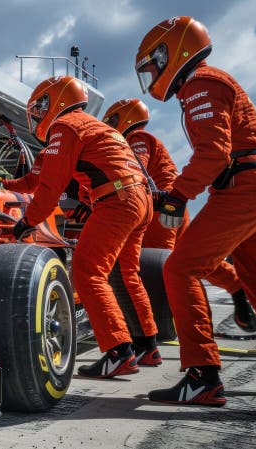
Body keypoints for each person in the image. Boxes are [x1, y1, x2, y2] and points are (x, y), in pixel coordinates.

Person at [136, 16, 256, 406]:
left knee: (179, 268)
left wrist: (178, 195)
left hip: (242, 187)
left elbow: (213, 152)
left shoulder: (200, 84)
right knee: (255, 275)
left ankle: (202, 375)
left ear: (170, 52)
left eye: (153, 66)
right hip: (251, 185)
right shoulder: (206, 83)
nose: (153, 75)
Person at [12, 75, 158, 379]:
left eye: (41, 106)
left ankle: (119, 351)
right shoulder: (91, 125)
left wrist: (26, 222)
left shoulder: (65, 127)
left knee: (88, 271)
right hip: (140, 199)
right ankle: (148, 344)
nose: (38, 114)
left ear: (57, 101)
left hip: (117, 199)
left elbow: (50, 186)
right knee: (127, 275)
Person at [103, 98, 256, 333]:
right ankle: (236, 287)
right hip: (173, 209)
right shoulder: (146, 140)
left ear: (122, 118)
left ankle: (166, 326)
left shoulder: (137, 140)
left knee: (156, 266)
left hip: (160, 211)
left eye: (111, 121)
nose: (108, 126)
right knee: (188, 261)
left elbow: (133, 170)